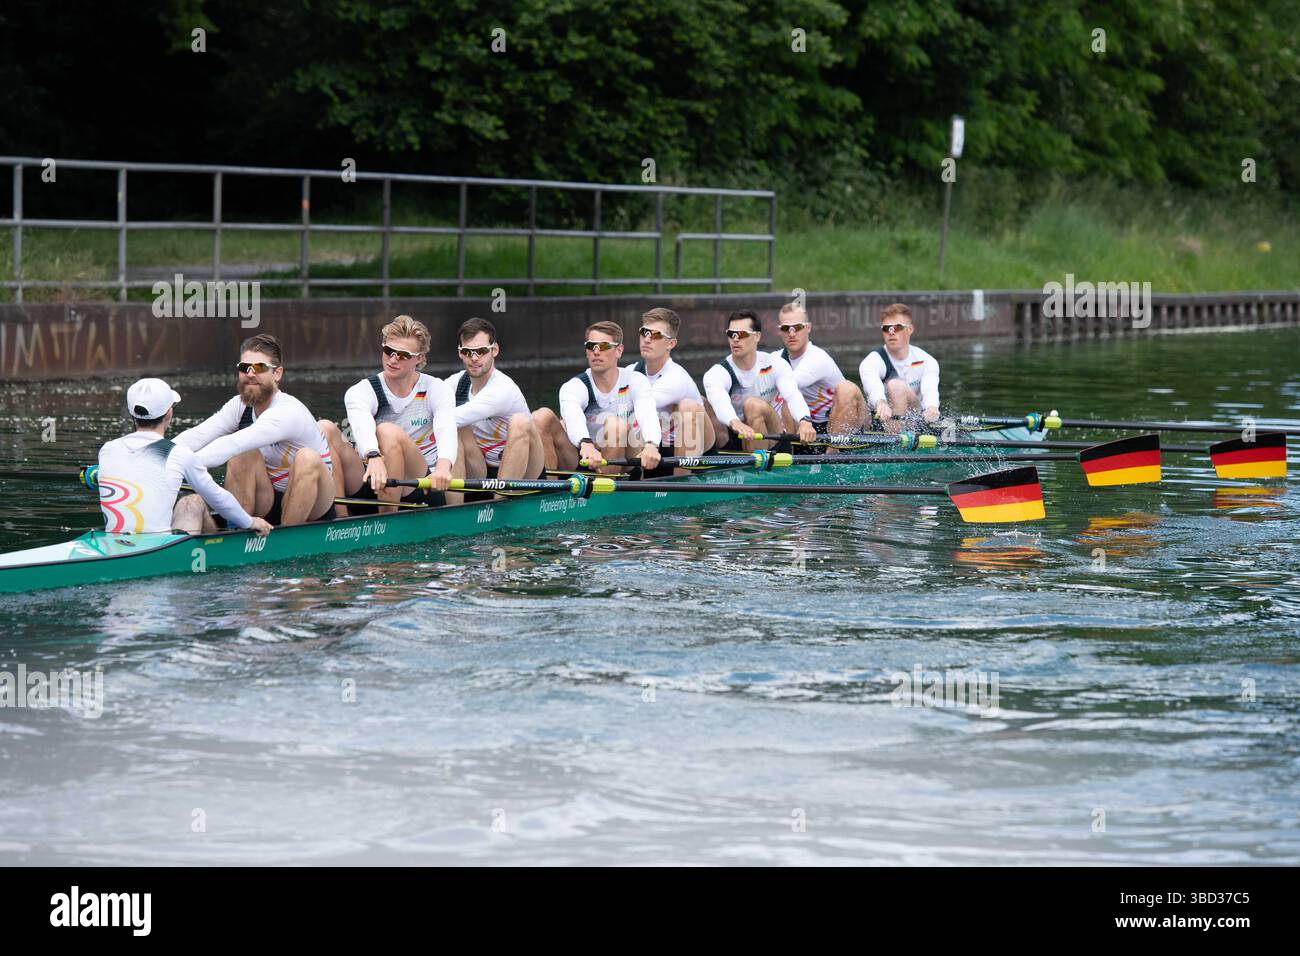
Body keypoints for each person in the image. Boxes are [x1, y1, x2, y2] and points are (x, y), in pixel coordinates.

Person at [175, 333, 335, 525]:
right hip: (268, 496)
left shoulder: (288, 411)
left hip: (314, 502)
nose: (250, 373)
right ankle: (237, 535)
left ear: (277, 373)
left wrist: (177, 466)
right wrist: (154, 453)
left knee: (306, 458)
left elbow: (234, 443)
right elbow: (197, 436)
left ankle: (287, 538)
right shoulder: (239, 405)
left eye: (259, 367)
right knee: (243, 455)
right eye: (244, 368)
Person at [317, 315, 460, 514]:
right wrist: (373, 456)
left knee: (387, 431)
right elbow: (361, 424)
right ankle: (339, 522)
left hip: (419, 486)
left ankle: (387, 518)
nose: (392, 359)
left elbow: (446, 428)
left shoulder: (436, 389)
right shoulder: (361, 391)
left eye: (402, 355)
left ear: (419, 358)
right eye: (388, 351)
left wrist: (444, 467)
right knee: (324, 428)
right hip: (372, 475)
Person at [97, 377, 272, 537]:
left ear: (131, 413)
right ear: (169, 414)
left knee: (186, 501)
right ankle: (218, 551)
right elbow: (218, 498)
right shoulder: (178, 453)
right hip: (160, 548)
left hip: (115, 541)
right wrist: (250, 521)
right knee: (194, 500)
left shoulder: (107, 450)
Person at [532, 321, 662, 473]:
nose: (596, 352)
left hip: (625, 459)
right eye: (591, 346)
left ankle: (604, 492)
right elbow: (572, 415)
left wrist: (652, 445)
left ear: (619, 351)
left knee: (616, 426)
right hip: (582, 456)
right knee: (541, 416)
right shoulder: (574, 386)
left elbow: (647, 414)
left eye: (604, 346)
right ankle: (551, 491)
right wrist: (586, 444)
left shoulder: (635, 380)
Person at [444, 317, 545, 484]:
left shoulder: (502, 389)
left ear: (494, 350)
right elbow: (429, 400)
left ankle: (501, 500)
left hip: (525, 468)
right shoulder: (456, 382)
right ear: (460, 352)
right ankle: (451, 507)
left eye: (482, 351)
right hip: (482, 467)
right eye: (468, 352)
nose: (474, 358)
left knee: (521, 422)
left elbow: (447, 418)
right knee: (455, 428)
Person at [702, 310, 816, 452]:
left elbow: (792, 396)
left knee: (752, 405)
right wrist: (735, 422)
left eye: (742, 334)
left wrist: (805, 421)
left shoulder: (775, 364)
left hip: (772, 440)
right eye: (731, 334)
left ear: (757, 336)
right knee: (697, 402)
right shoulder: (717, 373)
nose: (736, 339)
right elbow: (719, 401)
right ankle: (690, 468)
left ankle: (759, 468)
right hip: (734, 435)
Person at [627, 308, 714, 476]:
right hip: (655, 450)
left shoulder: (676, 377)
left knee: (688, 406)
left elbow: (642, 405)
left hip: (695, 450)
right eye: (644, 332)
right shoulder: (631, 372)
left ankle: (681, 482)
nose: (647, 339)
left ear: (671, 344)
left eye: (656, 335)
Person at [775, 302, 866, 439]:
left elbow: (789, 383)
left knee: (847, 388)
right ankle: (790, 450)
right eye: (786, 328)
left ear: (808, 328)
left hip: (841, 423)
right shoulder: (775, 359)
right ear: (779, 331)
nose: (792, 334)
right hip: (807, 427)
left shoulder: (818, 358)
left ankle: (832, 455)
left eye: (798, 327)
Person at [859, 303, 941, 433]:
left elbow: (930, 389)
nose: (891, 333)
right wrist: (880, 402)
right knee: (895, 386)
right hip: (881, 419)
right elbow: (872, 386)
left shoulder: (927, 361)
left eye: (897, 328)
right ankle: (894, 439)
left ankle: (896, 444)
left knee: (897, 386)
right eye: (887, 329)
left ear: (910, 329)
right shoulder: (871, 361)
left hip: (917, 420)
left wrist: (931, 407)